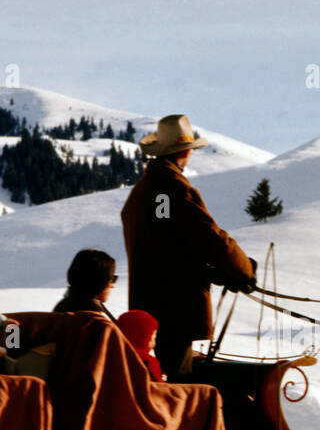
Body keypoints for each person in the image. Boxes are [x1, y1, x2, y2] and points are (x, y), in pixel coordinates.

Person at [120, 114, 256, 379]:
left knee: (158, 379)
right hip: (176, 308)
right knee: (176, 384)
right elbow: (208, 236)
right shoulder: (171, 187)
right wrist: (244, 269)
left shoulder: (144, 189)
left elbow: (167, 239)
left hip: (149, 306)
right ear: (185, 151)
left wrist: (206, 269)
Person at [54, 249, 117, 319]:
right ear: (101, 281)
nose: (112, 285)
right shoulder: (94, 317)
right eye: (112, 279)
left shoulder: (62, 307)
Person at [117, 309, 164, 381]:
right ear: (145, 337)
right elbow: (156, 385)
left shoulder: (116, 354)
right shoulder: (146, 360)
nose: (154, 343)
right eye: (154, 336)